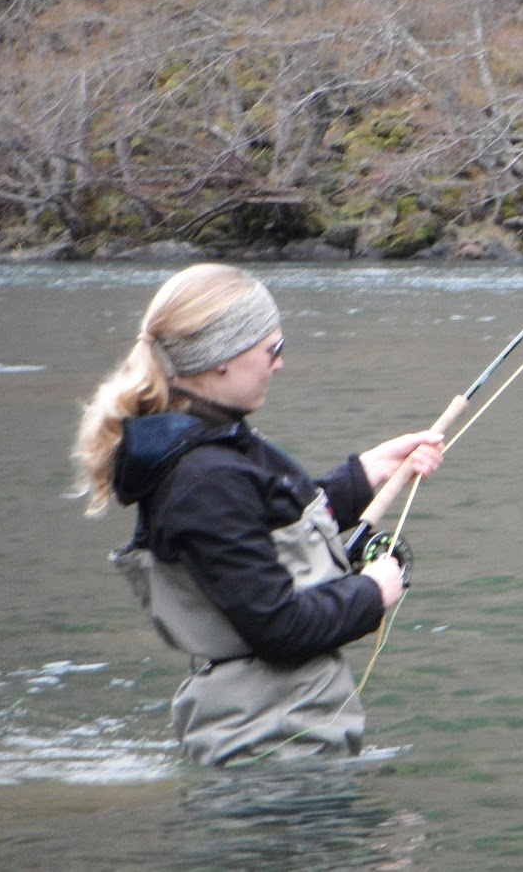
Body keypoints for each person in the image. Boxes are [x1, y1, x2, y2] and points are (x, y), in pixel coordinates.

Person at [71, 263, 443, 765]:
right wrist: (372, 591)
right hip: (271, 744)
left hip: (280, 725)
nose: (280, 364)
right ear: (223, 358)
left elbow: (269, 522)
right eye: (274, 349)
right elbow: (280, 627)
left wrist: (367, 473)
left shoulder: (214, 449)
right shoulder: (205, 479)